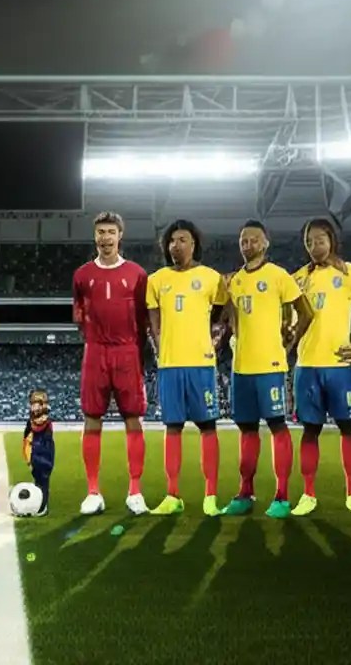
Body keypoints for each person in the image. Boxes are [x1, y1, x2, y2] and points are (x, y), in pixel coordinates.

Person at [291, 218, 351, 516]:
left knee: (347, 428)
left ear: (331, 240)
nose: (314, 246)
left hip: (340, 367)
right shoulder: (296, 279)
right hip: (307, 366)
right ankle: (308, 494)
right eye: (308, 242)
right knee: (309, 431)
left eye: (319, 239)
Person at [221, 220, 310, 519]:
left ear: (266, 242)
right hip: (241, 366)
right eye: (243, 240)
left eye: (254, 239)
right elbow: (226, 317)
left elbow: (305, 312)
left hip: (270, 364)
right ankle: (245, 492)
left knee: (276, 426)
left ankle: (282, 496)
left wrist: (291, 342)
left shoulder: (278, 276)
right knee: (247, 429)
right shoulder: (234, 281)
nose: (248, 245)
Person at [72, 211, 150, 516]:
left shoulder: (137, 274)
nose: (106, 238)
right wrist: (96, 339)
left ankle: (135, 491)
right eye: (101, 232)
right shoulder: (81, 275)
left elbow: (143, 318)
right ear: (95, 236)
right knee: (92, 418)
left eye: (111, 232)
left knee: (133, 418)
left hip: (127, 351)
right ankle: (93, 491)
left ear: (120, 236)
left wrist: (133, 349)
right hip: (95, 351)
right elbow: (79, 314)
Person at [145, 220, 225, 517]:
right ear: (167, 247)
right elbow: (153, 323)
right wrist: (159, 350)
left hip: (201, 363)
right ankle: (173, 494)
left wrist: (216, 336)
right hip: (170, 364)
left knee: (208, 426)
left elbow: (222, 311)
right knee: (173, 428)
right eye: (172, 240)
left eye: (183, 239)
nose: (177, 245)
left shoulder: (211, 278)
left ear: (194, 244)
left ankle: (211, 495)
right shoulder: (156, 280)